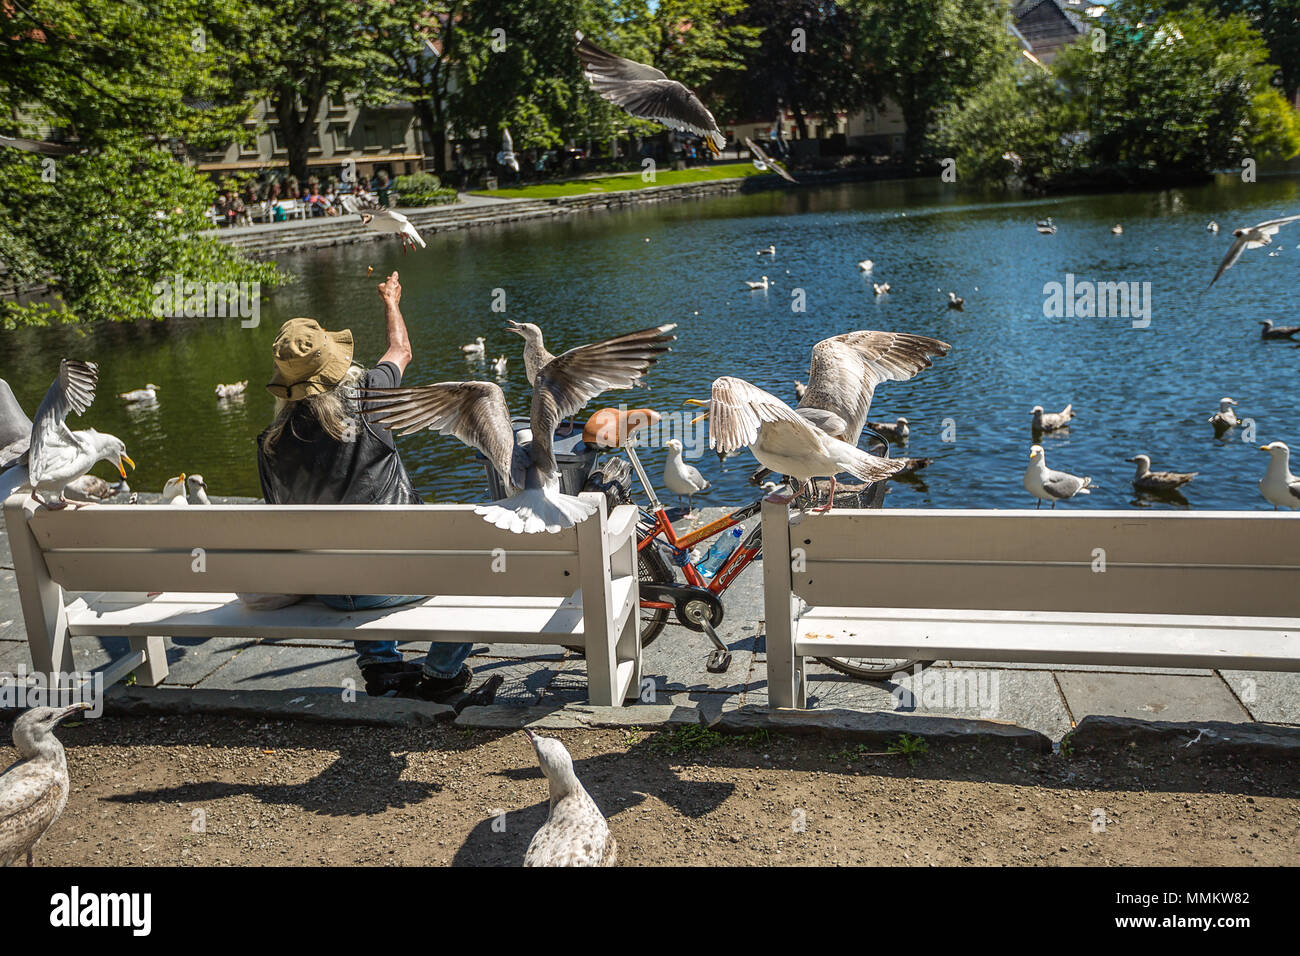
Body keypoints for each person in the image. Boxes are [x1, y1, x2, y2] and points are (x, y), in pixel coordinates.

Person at [255, 273, 474, 701]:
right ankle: (442, 673)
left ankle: (382, 664)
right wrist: (391, 300)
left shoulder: (270, 443)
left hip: (330, 588)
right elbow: (401, 351)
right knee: (483, 565)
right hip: (395, 579)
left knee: (341, 544)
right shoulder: (371, 397)